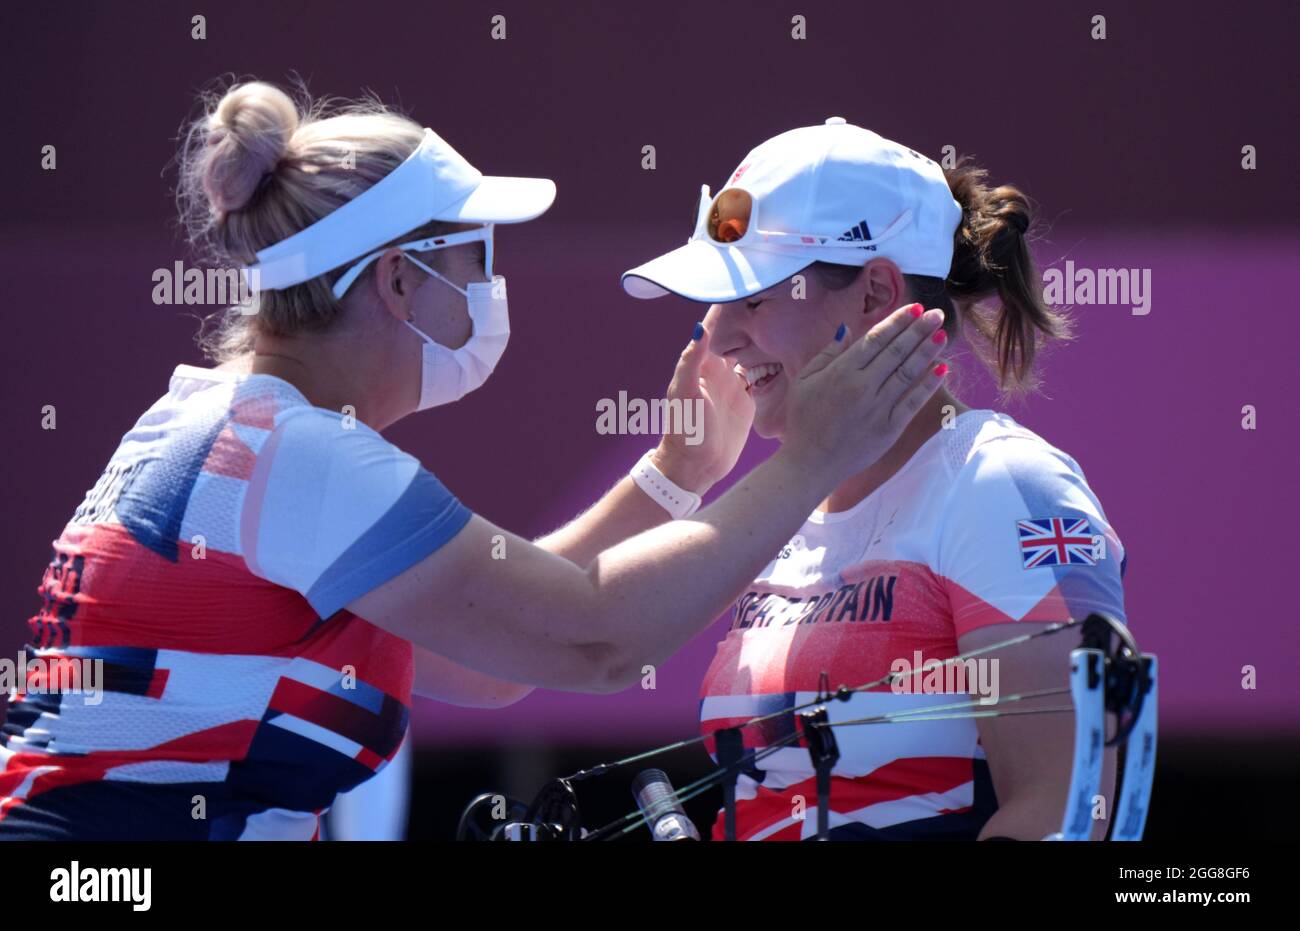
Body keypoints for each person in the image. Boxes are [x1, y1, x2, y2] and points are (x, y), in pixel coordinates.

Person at [0, 87, 948, 840]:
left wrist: (677, 474)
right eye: (473, 255)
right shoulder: (297, 457)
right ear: (397, 278)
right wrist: (815, 455)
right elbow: (596, 640)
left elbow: (496, 655)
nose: (491, 285)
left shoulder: (220, 419)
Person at [621, 118, 1128, 841]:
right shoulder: (784, 508)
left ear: (875, 295)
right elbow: (584, 638)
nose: (718, 334)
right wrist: (674, 476)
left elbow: (1069, 816)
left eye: (754, 299)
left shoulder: (1002, 481)